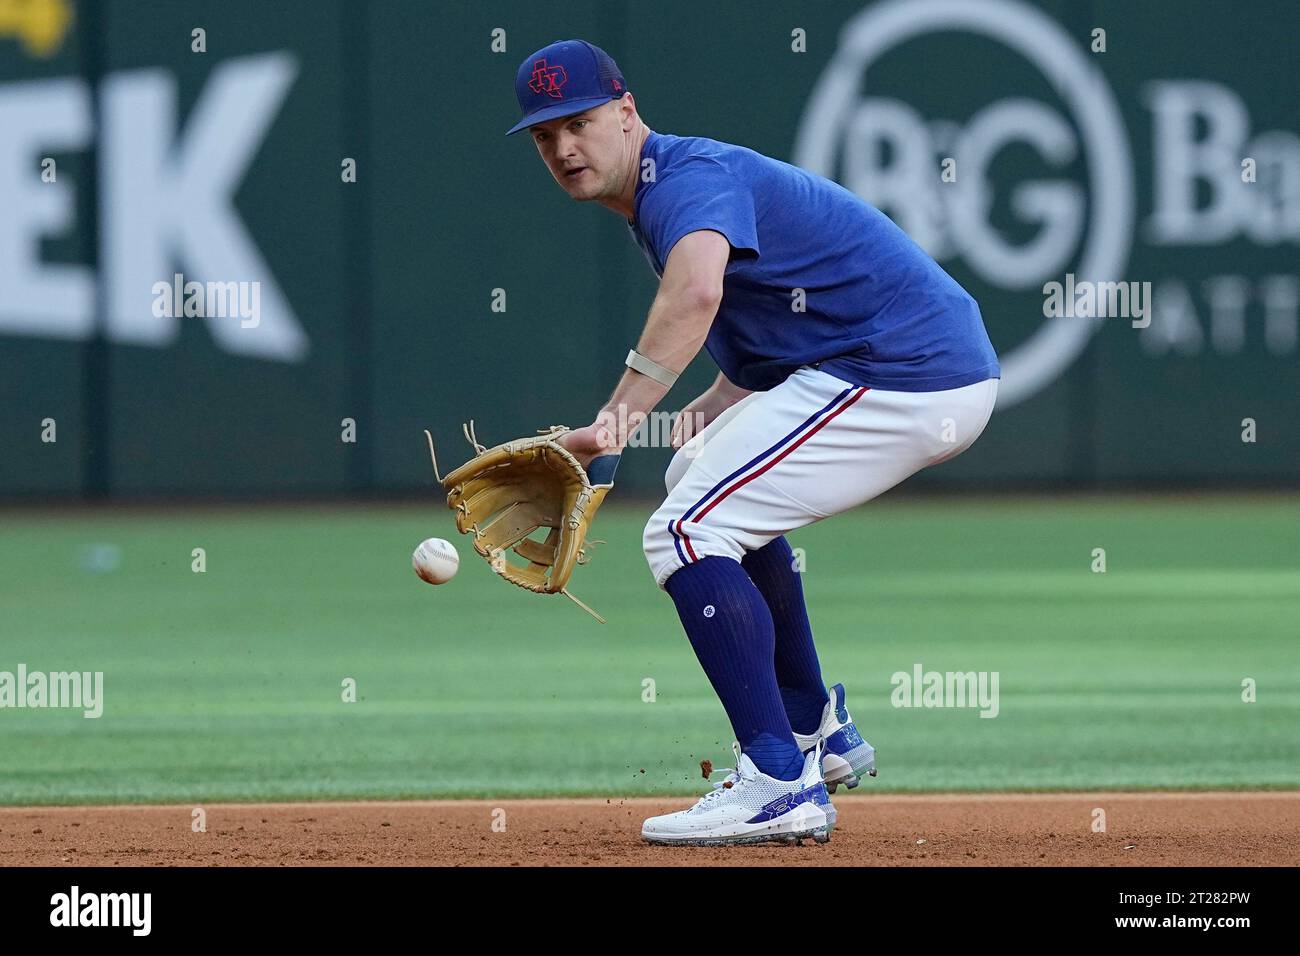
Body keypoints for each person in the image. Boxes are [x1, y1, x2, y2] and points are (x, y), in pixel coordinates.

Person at [507, 39, 1000, 846]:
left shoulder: (686, 180)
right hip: (889, 367)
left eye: (581, 122)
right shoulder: (664, 201)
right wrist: (662, 433)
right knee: (692, 478)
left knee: (686, 529)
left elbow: (696, 292)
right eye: (544, 135)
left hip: (909, 371)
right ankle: (814, 732)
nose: (563, 147)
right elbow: (748, 376)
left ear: (627, 114)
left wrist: (613, 423)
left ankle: (775, 781)